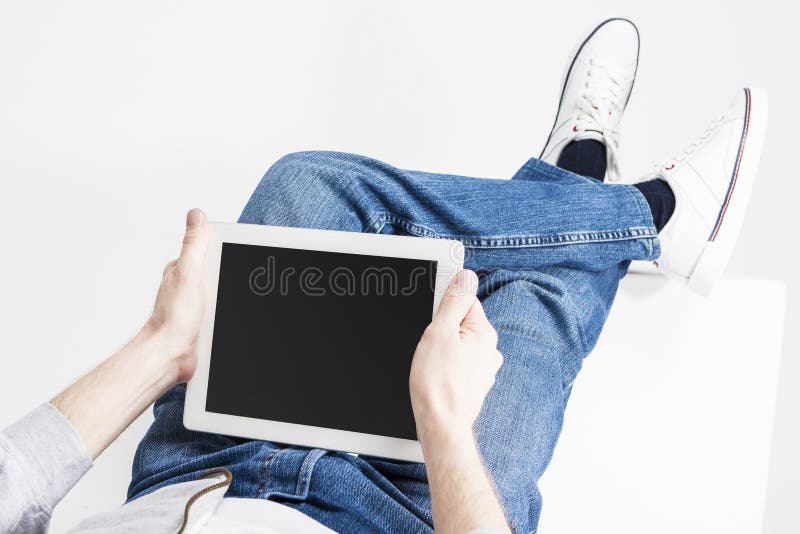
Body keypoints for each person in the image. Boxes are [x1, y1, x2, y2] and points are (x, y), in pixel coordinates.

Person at [0, 18, 766, 534]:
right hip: (407, 516)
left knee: (308, 187)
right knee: (535, 300)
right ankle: (618, 202)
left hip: (199, 469)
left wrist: (163, 348)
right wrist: (442, 424)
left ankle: (619, 207)